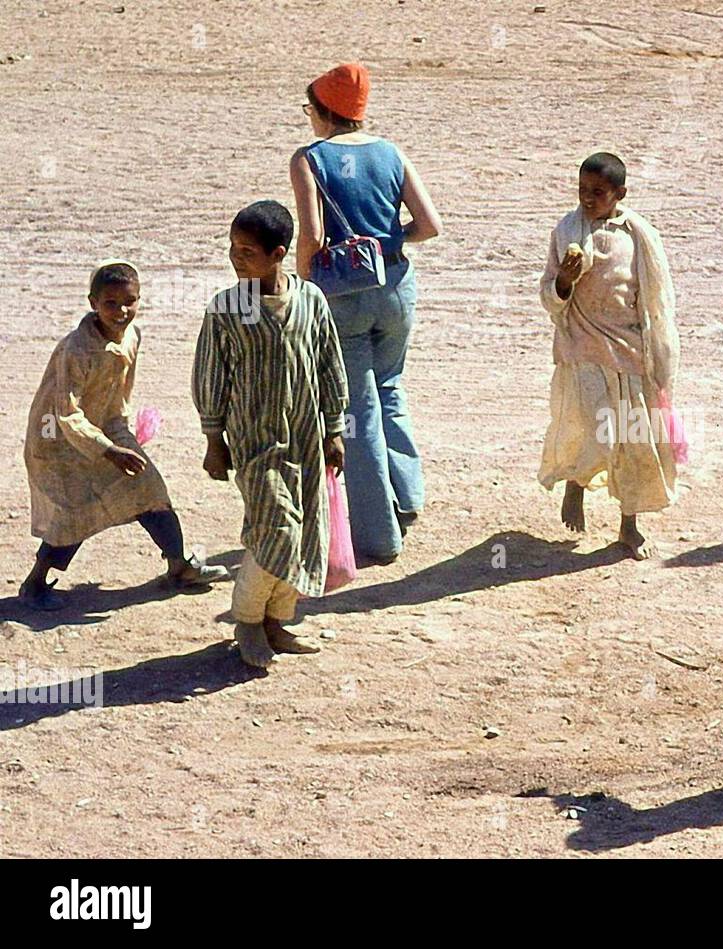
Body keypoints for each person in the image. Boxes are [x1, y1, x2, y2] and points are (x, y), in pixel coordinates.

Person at [290, 61, 442, 564]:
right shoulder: (391, 152)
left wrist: (303, 289)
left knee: (357, 410)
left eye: (309, 109)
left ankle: (378, 536)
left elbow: (310, 239)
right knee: (390, 386)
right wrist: (384, 244)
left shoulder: (309, 159)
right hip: (398, 285)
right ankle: (409, 497)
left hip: (343, 297)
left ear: (325, 111)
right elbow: (428, 224)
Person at [193, 201, 348, 669]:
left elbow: (328, 364)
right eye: (232, 249)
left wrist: (335, 428)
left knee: (304, 533)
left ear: (278, 253)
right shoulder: (226, 308)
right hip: (254, 440)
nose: (235, 258)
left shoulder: (310, 300)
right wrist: (213, 439)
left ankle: (278, 620)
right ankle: (246, 620)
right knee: (273, 529)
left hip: (305, 433)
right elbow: (210, 376)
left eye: (247, 251)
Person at [19, 260, 226, 611]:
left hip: (105, 431)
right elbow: (66, 414)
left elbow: (119, 399)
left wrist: (120, 440)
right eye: (110, 303)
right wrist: (107, 449)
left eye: (129, 301)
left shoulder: (132, 337)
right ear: (92, 303)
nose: (121, 311)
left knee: (149, 487)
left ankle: (179, 566)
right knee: (74, 514)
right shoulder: (77, 350)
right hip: (57, 444)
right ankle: (35, 583)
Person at [537, 152, 680, 560]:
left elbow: (655, 300)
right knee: (587, 426)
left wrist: (659, 356)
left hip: (630, 353)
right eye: (582, 190)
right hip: (582, 349)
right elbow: (549, 295)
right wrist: (564, 280)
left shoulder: (638, 236)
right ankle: (575, 486)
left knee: (634, 441)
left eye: (598, 193)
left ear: (620, 194)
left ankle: (629, 525)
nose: (588, 199)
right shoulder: (567, 230)